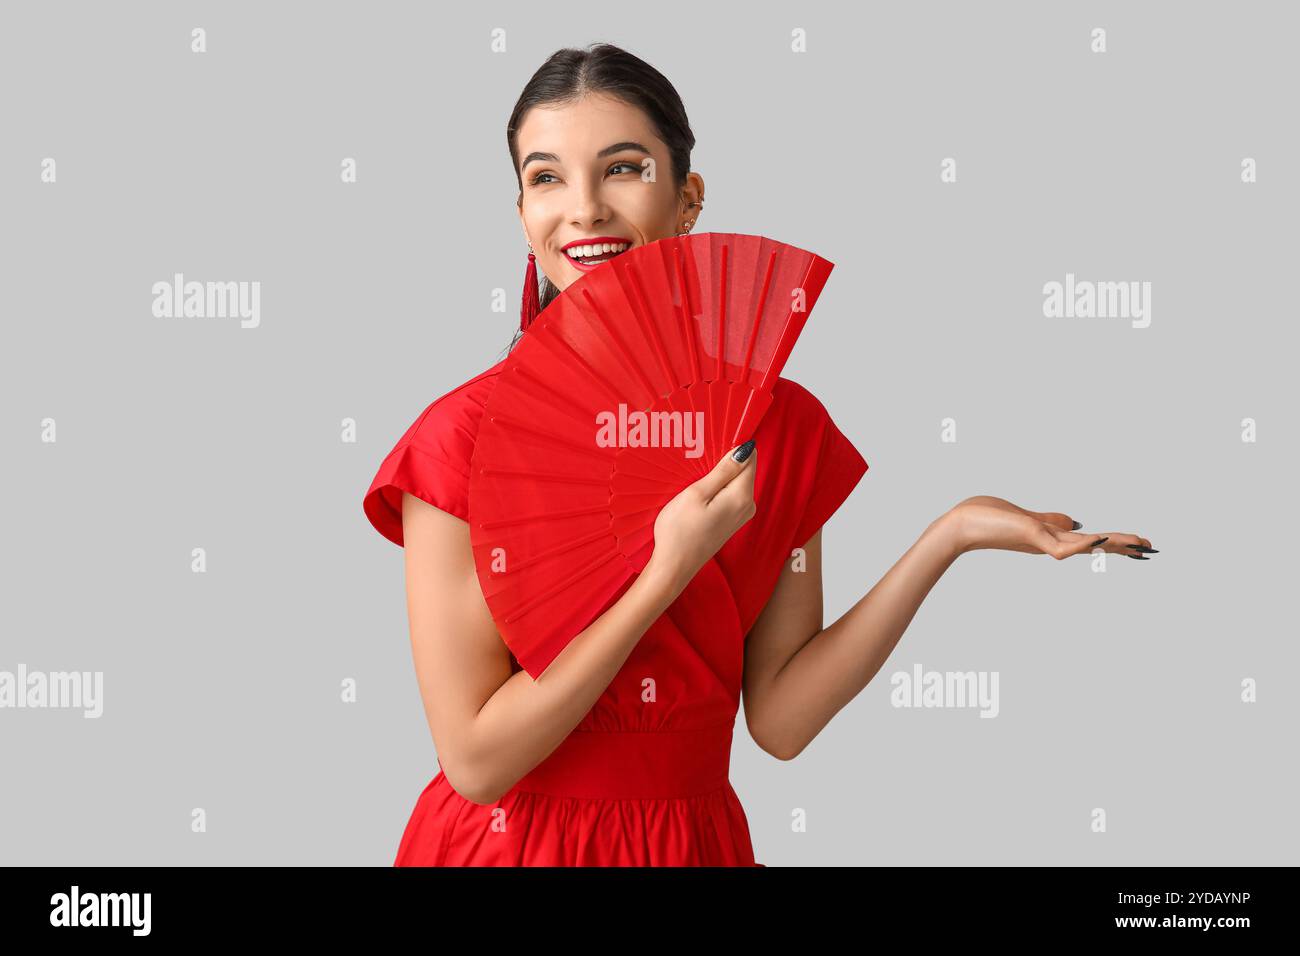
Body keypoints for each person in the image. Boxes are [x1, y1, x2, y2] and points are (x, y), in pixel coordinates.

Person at [361, 43, 1157, 867]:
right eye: (547, 178)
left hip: (693, 843)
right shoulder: (459, 442)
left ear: (688, 199)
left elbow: (780, 721)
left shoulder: (774, 424)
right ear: (523, 214)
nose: (585, 209)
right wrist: (666, 572)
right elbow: (477, 764)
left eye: (623, 169)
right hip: (508, 848)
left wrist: (948, 536)